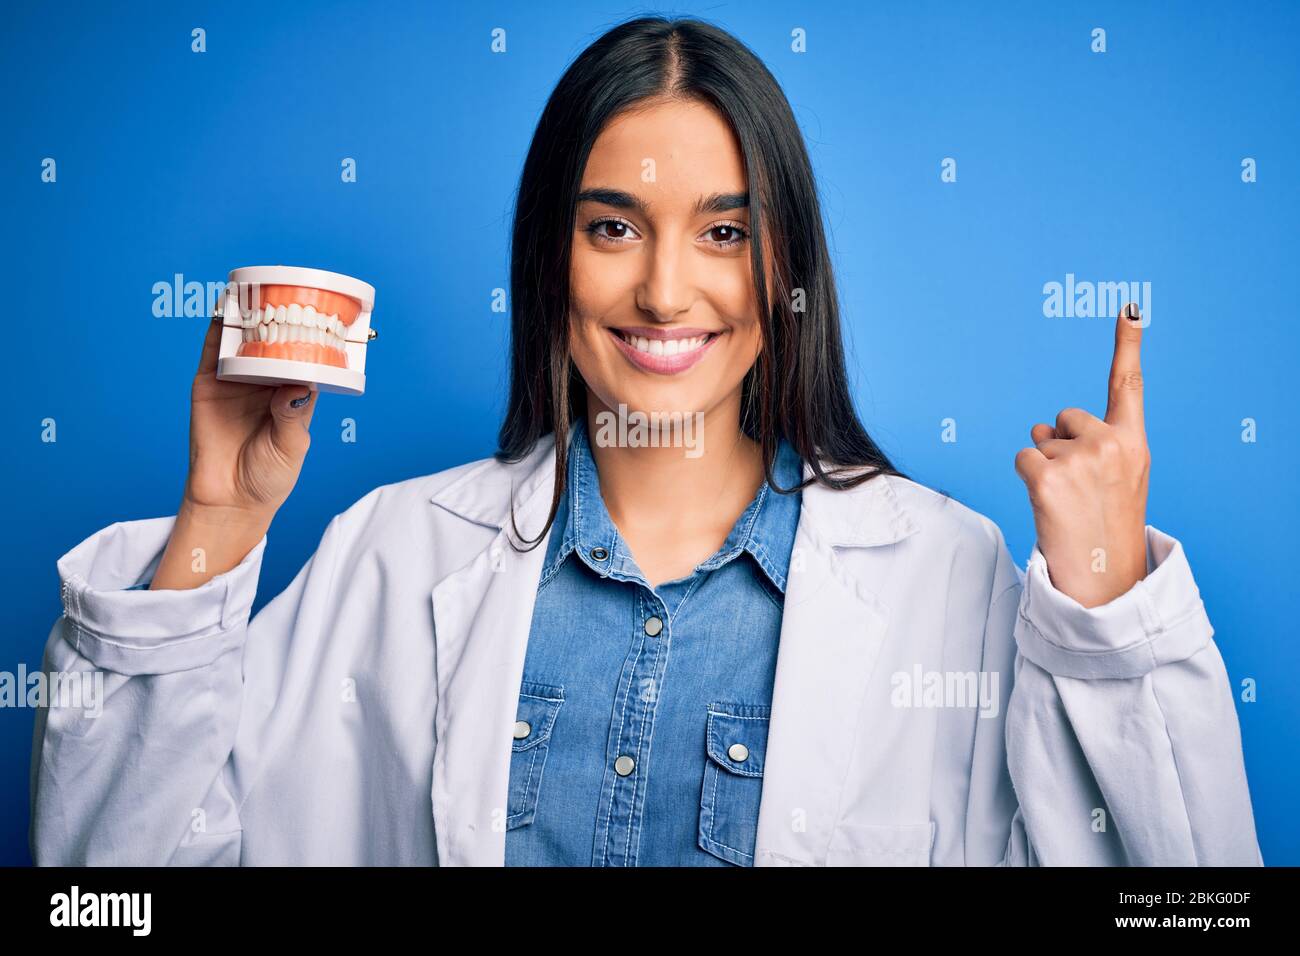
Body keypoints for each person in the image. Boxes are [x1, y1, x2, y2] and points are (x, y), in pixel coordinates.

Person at [30, 16, 1261, 866]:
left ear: (789, 270)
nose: (667, 292)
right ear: (547, 257)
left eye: (724, 233)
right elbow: (107, 894)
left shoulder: (948, 580)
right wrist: (215, 527)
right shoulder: (393, 553)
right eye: (613, 227)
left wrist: (1110, 619)